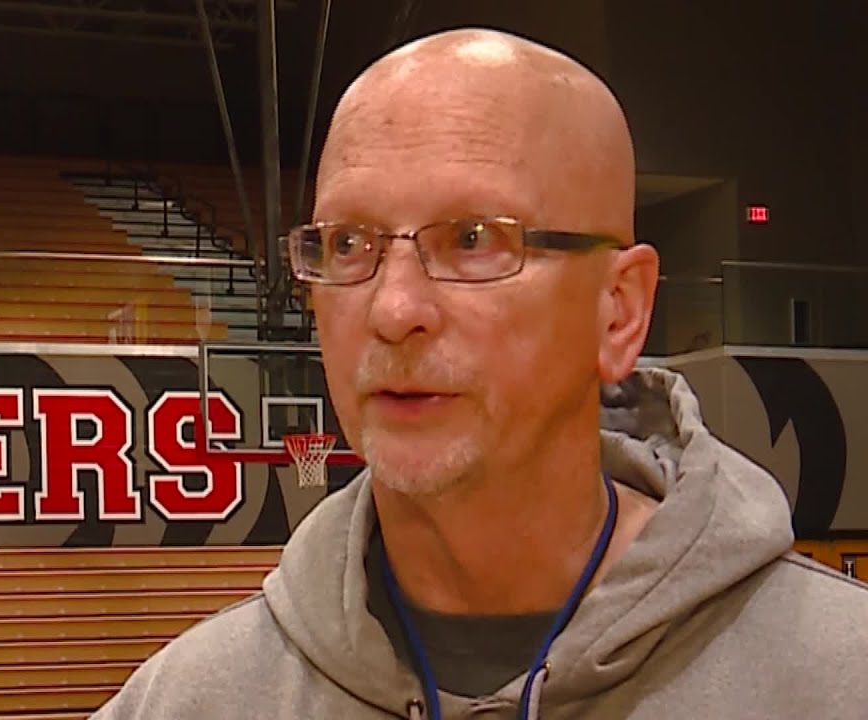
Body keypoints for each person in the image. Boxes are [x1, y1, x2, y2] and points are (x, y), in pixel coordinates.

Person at [90, 28, 868, 720]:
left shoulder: (840, 676)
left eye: (472, 239)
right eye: (350, 243)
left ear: (619, 312)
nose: (394, 308)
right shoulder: (186, 698)